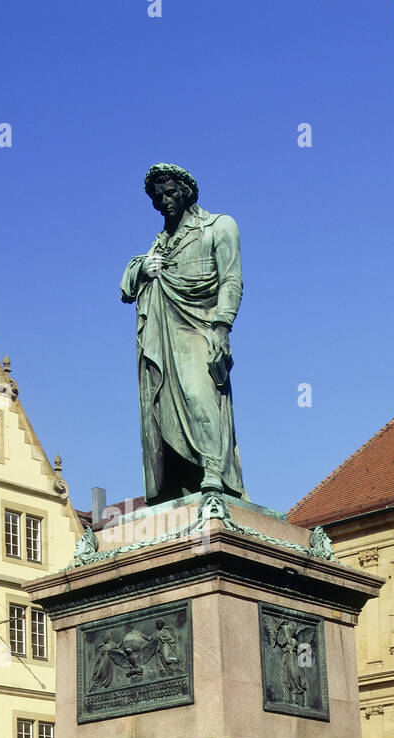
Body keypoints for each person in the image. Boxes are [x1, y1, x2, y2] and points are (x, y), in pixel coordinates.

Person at [121, 164, 245, 504]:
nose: (164, 202)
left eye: (170, 193)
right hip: (164, 332)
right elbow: (128, 285)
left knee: (198, 392)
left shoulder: (219, 226)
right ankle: (177, 481)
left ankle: (213, 470)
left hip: (200, 325)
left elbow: (231, 279)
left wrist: (223, 324)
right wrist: (143, 268)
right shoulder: (160, 242)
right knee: (160, 407)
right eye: (157, 198)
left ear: (186, 191)